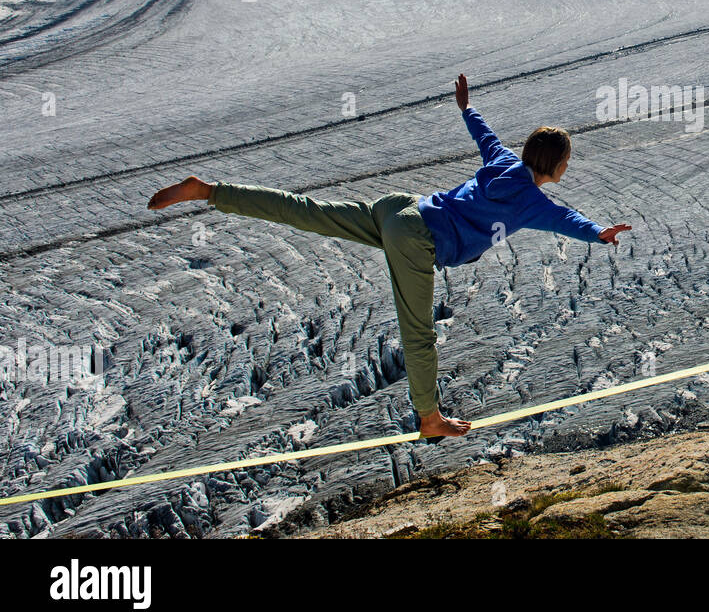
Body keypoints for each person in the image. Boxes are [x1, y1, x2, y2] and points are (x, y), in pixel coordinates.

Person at [147, 74, 631, 439]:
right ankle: (429, 418)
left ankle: (212, 191)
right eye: (568, 160)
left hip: (400, 208)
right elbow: (568, 222)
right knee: (418, 334)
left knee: (308, 211)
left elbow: (484, 135)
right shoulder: (533, 203)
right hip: (417, 240)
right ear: (558, 165)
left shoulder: (503, 160)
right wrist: (600, 234)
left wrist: (467, 107)